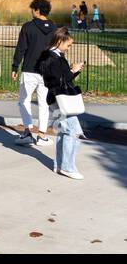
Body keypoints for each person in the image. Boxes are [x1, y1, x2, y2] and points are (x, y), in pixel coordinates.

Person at [37, 28, 85, 180]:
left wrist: (71, 70)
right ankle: (67, 167)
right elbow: (59, 80)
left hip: (57, 99)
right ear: (59, 41)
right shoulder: (52, 58)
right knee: (73, 131)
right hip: (60, 99)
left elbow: (59, 77)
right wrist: (74, 71)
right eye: (68, 45)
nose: (69, 48)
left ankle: (60, 165)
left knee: (65, 131)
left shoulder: (53, 56)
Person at [12, 0, 55, 145]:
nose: (31, 11)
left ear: (37, 10)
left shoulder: (28, 27)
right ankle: (42, 135)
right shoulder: (54, 28)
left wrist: (14, 66)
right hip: (47, 71)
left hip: (30, 70)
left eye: (32, 9)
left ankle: (28, 132)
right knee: (44, 103)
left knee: (24, 101)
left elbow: (21, 48)